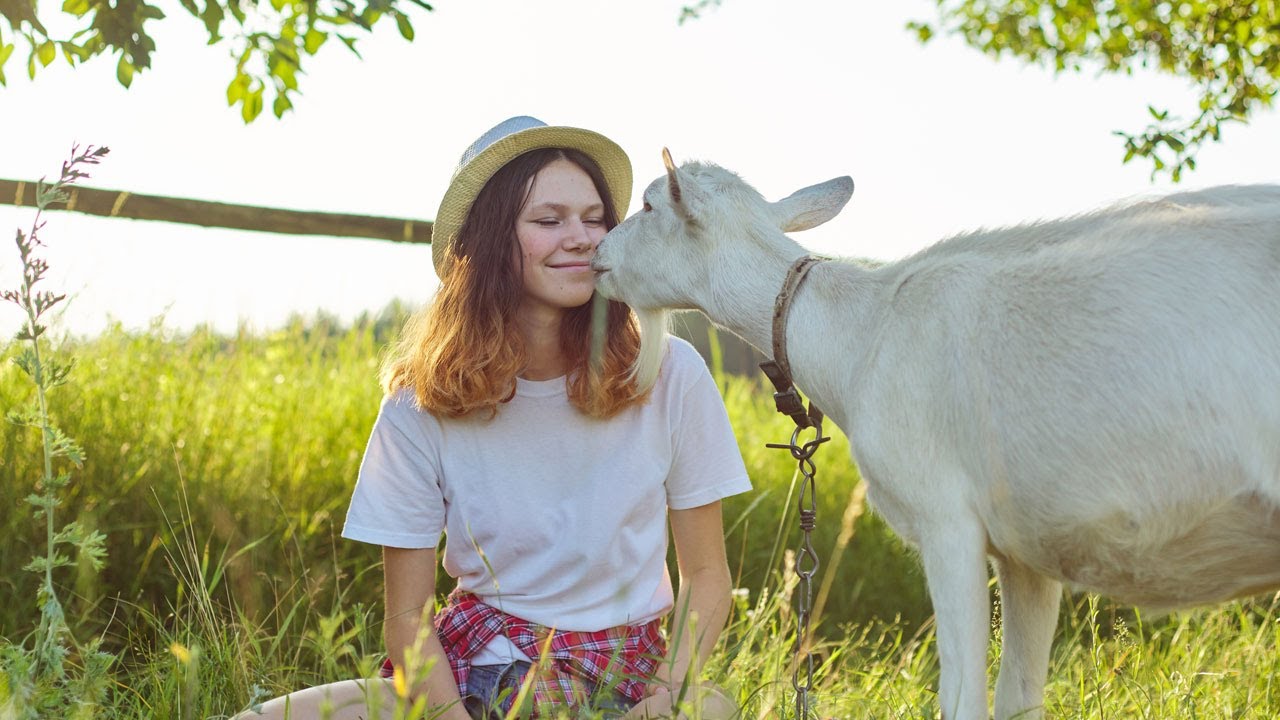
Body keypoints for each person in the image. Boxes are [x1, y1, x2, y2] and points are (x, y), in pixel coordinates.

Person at [237, 116, 750, 719]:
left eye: (594, 219)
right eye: (548, 220)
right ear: (488, 242)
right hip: (469, 671)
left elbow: (708, 578)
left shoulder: (668, 372)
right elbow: (406, 618)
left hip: (625, 681)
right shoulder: (418, 404)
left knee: (709, 710)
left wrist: (663, 698)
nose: (583, 238)